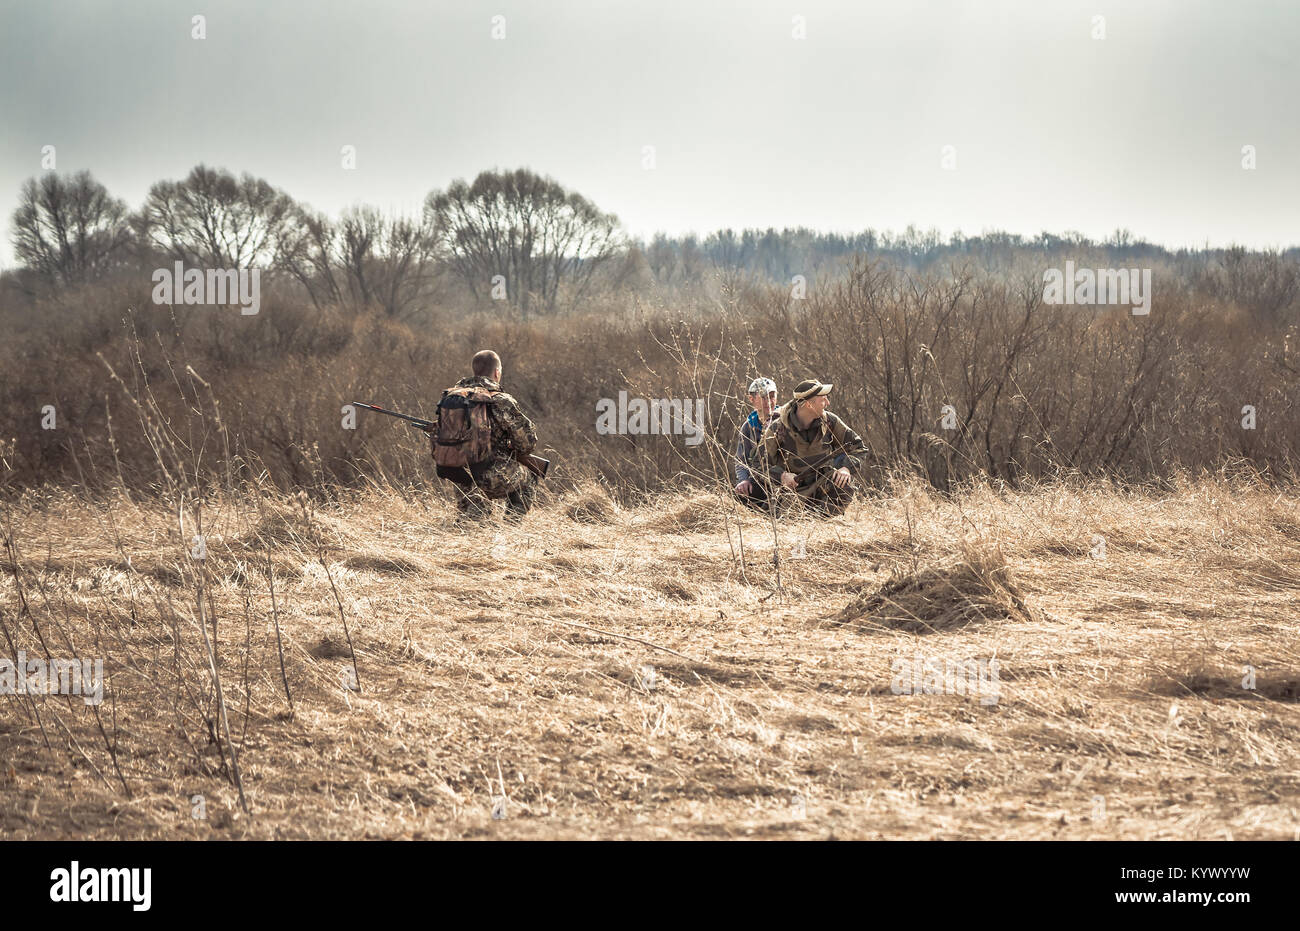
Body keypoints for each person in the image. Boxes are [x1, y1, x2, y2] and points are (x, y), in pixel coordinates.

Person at [433, 349, 538, 520]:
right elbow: (527, 443)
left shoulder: (453, 397)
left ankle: (473, 513)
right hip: (489, 475)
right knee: (530, 475)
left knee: (472, 519)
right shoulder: (501, 400)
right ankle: (512, 525)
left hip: (458, 473)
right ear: (497, 373)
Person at [760, 379, 868, 516]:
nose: (827, 403)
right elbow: (757, 463)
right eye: (823, 400)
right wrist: (782, 476)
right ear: (809, 405)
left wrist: (846, 468)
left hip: (822, 486)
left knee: (845, 484)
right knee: (787, 520)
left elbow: (859, 447)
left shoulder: (830, 421)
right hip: (791, 491)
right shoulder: (778, 429)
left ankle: (823, 521)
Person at [733, 376, 779, 509]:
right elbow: (741, 461)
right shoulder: (748, 427)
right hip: (761, 480)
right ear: (752, 399)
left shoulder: (785, 419)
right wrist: (744, 481)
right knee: (740, 495)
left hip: (786, 477)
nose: (769, 401)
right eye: (764, 397)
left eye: (772, 396)